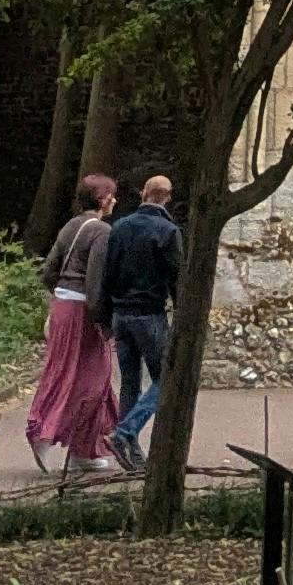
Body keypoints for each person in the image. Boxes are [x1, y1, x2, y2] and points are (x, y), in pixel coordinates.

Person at [27, 175, 123, 475]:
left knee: (63, 370)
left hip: (62, 307)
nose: (115, 201)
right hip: (83, 311)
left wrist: (59, 301)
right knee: (93, 378)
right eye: (112, 196)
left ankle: (85, 449)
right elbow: (95, 282)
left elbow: (49, 272)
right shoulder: (102, 232)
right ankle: (47, 432)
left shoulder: (71, 226)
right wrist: (104, 322)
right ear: (103, 199)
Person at [99, 170, 181, 471]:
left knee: (130, 383)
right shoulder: (168, 232)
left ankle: (131, 452)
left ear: (143, 194)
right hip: (149, 315)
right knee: (166, 380)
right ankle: (123, 434)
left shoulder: (119, 227)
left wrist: (105, 316)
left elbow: (107, 275)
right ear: (167, 198)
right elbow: (175, 280)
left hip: (121, 315)